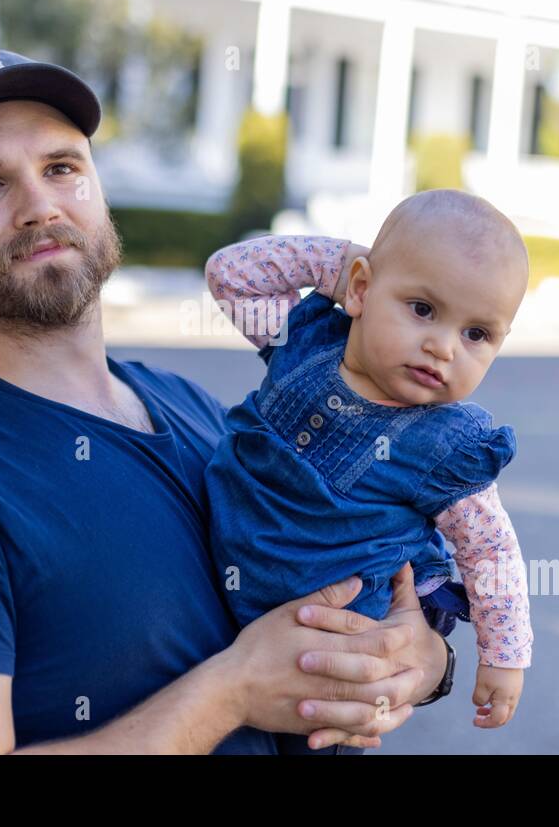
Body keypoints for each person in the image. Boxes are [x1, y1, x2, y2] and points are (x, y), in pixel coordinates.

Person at [0, 47, 456, 753]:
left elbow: (365, 588)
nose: (39, 205)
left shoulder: (195, 410)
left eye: (62, 167)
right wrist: (227, 693)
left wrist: (418, 660)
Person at [203, 191, 535, 753]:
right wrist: (346, 268)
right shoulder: (302, 341)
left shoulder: (447, 445)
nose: (442, 347)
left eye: (477, 334)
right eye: (422, 309)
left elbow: (491, 551)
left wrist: (506, 656)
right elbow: (231, 274)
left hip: (334, 664)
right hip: (218, 618)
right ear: (358, 289)